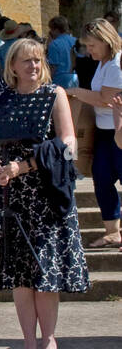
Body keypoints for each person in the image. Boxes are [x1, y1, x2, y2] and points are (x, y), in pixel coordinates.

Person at [0, 38, 89, 349]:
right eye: (26, 61)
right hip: (9, 194)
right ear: (12, 66)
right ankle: (28, 341)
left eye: (38, 60)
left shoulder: (54, 95)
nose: (34, 66)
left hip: (46, 192)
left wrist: (25, 165)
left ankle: (49, 340)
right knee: (20, 273)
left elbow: (69, 142)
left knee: (45, 270)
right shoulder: (2, 100)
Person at [66, 19, 122, 246]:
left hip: (118, 131)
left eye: (91, 45)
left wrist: (76, 92)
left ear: (105, 40)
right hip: (103, 132)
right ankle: (113, 231)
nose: (88, 51)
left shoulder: (117, 64)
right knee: (102, 178)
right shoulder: (103, 63)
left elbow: (105, 99)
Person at [47, 16, 78, 89]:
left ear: (56, 29)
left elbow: (53, 66)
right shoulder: (76, 41)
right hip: (76, 77)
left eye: (51, 29)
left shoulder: (54, 44)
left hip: (60, 79)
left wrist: (47, 80)